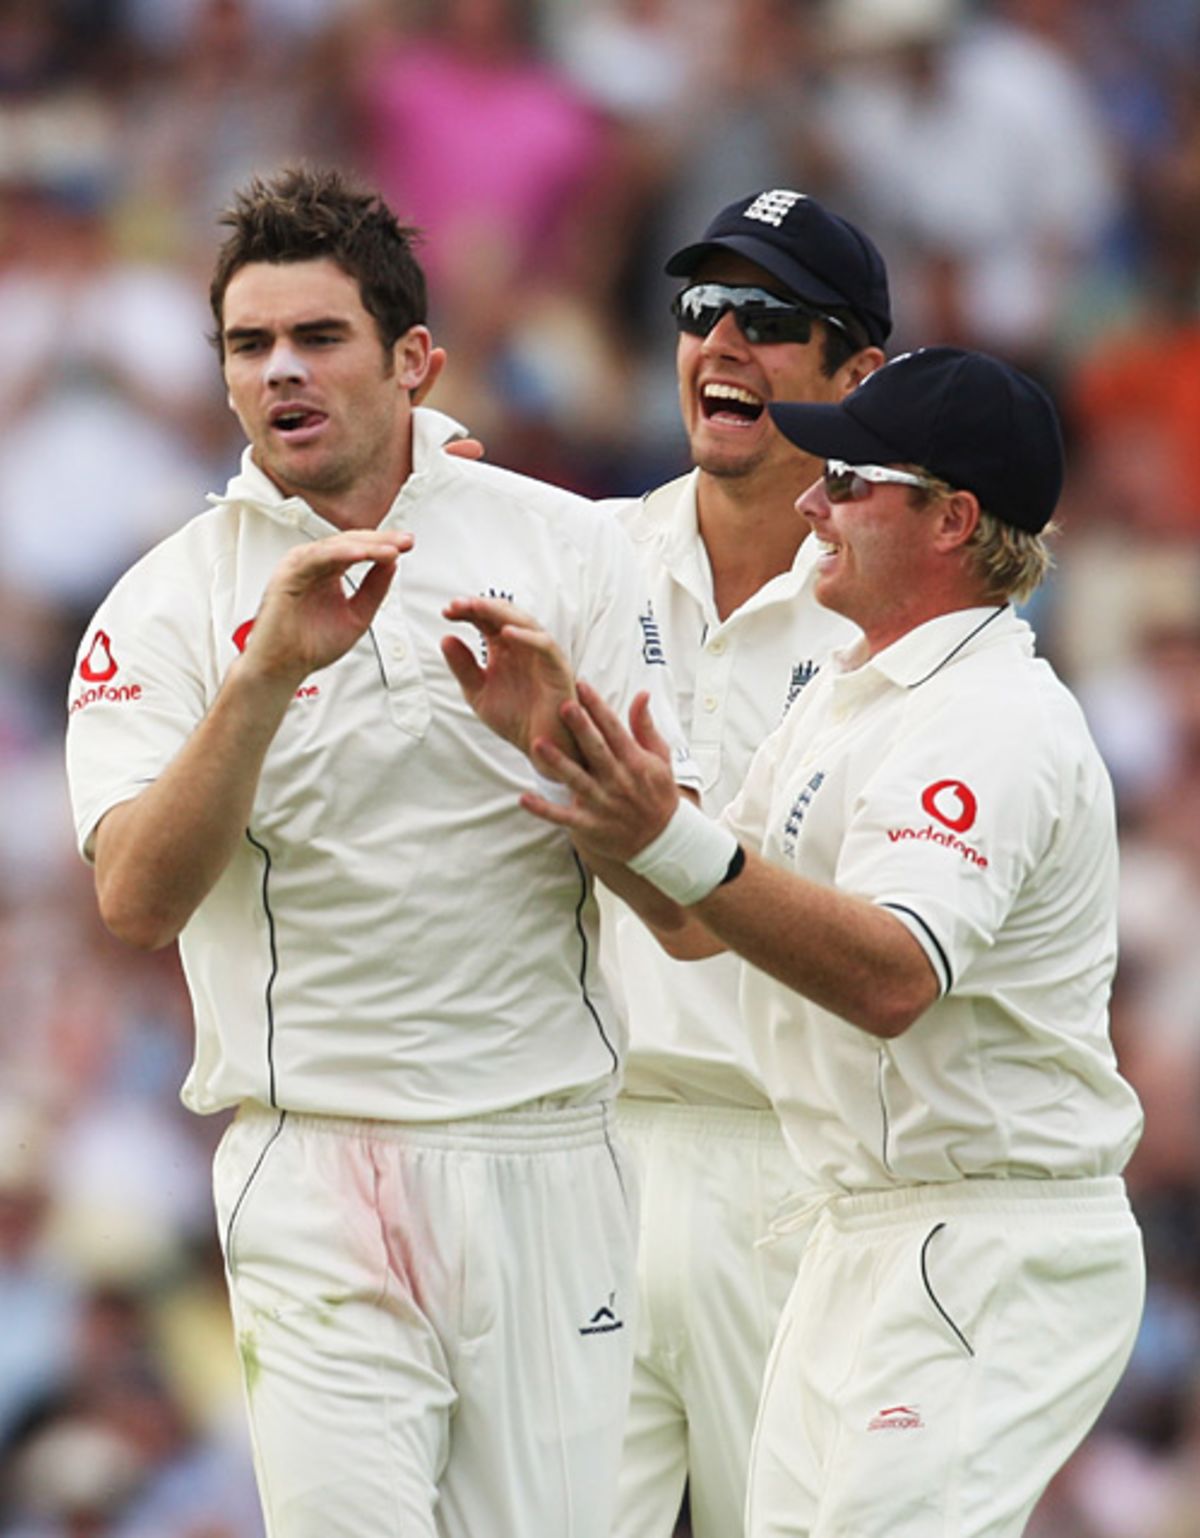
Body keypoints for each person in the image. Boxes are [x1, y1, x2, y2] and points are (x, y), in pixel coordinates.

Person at [63, 163, 700, 1538]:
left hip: (549, 1157)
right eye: (249, 345)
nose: (282, 372)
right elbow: (134, 898)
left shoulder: (572, 552)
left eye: (318, 337)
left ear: (415, 359)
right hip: (317, 1167)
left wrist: (563, 753)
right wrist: (259, 683)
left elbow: (688, 912)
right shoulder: (173, 597)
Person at [463, 346, 1147, 1536]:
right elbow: (690, 919)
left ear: (955, 519)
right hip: (857, 1225)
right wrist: (564, 753)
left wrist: (670, 839)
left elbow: (890, 976)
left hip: (988, 1233)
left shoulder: (989, 719)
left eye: (849, 477)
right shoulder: (849, 690)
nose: (809, 503)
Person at [597, 188, 889, 1538]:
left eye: (771, 321)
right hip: (588, 1154)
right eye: (702, 311)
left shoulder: (899, 618)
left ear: (858, 375)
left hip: (792, 1169)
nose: (723, 341)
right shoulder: (588, 557)